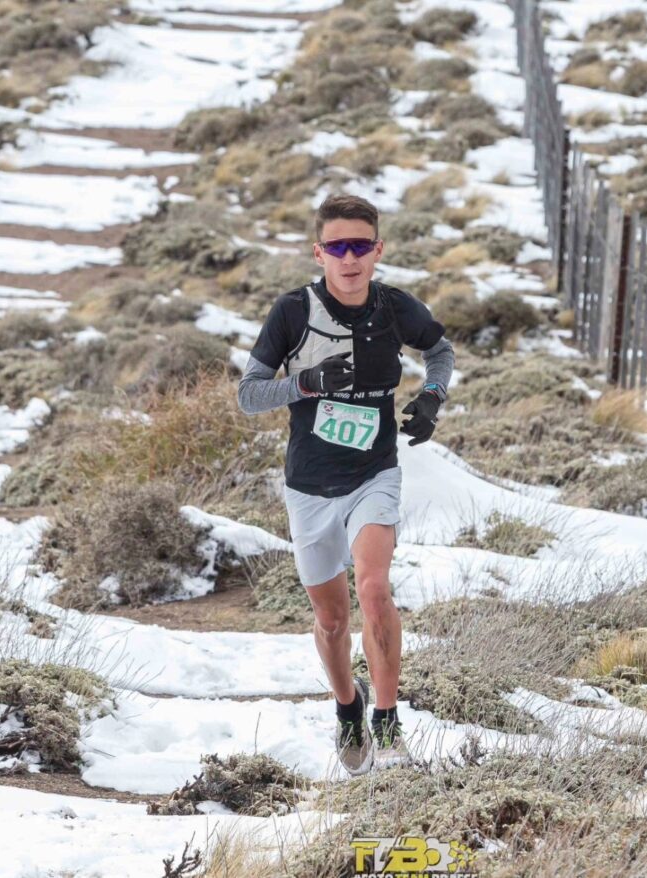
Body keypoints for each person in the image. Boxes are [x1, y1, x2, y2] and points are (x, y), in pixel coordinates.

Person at [237, 193, 454, 775]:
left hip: (373, 473)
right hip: (309, 485)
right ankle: (348, 708)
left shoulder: (393, 307)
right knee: (332, 622)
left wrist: (432, 398)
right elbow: (248, 394)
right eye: (338, 246)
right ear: (320, 252)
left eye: (361, 245)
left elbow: (440, 351)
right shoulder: (293, 311)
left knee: (376, 590)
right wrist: (304, 382)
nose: (350, 257)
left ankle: (387, 721)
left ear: (378, 250)